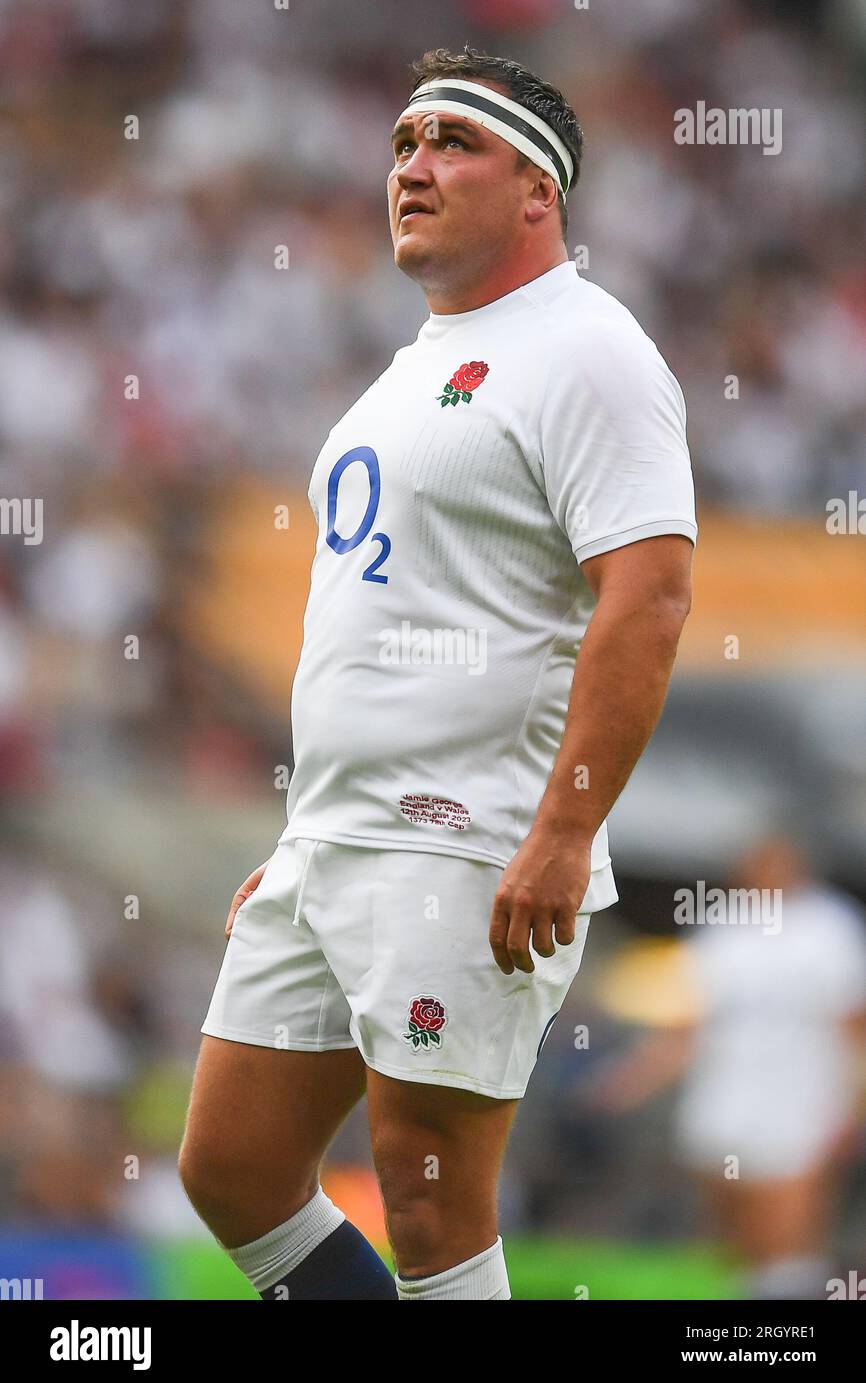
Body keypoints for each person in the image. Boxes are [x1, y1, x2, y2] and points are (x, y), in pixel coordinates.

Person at [179, 44, 696, 1301]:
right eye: (404, 144)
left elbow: (650, 594)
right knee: (232, 1169)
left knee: (425, 1194)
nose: (412, 168)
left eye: (451, 144)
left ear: (538, 190)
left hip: (467, 835)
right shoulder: (410, 366)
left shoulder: (587, 348)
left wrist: (564, 829)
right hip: (337, 837)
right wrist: (314, 827)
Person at [586, 836, 866, 1300]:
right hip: (722, 1108)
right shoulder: (723, 930)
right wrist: (625, 1084)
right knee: (733, 1244)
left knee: (788, 1240)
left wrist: (851, 1113)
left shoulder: (830, 929)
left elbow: (854, 1031)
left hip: (801, 1109)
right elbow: (685, 1031)